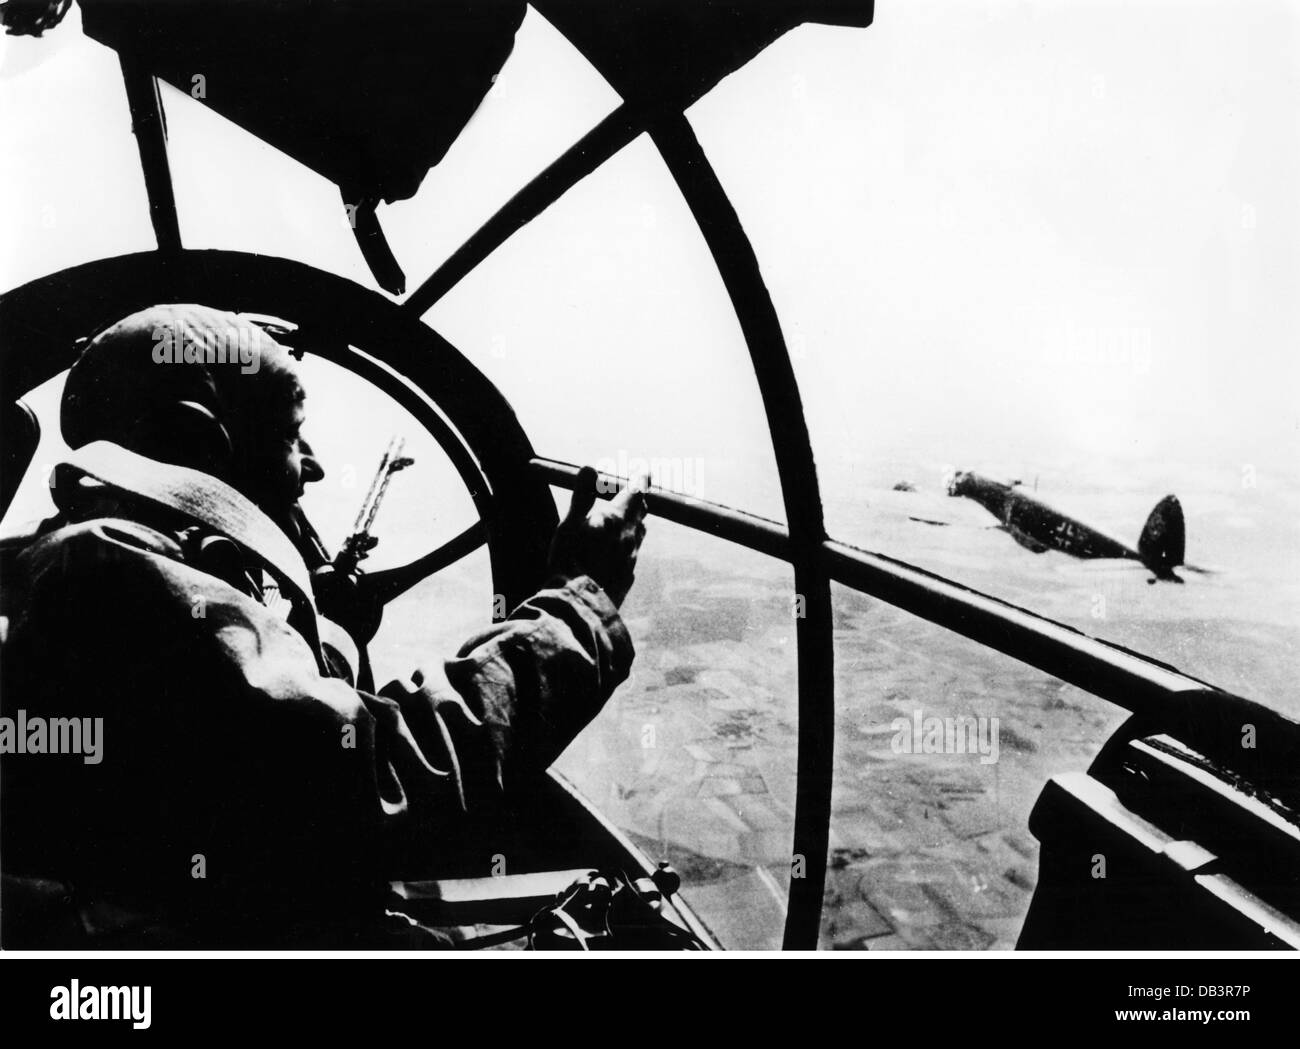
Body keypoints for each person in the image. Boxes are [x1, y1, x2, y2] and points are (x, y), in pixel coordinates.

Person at [0, 303, 647, 947]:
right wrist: (578, 604)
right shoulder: (107, 571)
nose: (309, 465)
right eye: (289, 433)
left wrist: (332, 629)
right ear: (193, 436)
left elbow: (250, 750)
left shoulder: (100, 570)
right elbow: (367, 786)